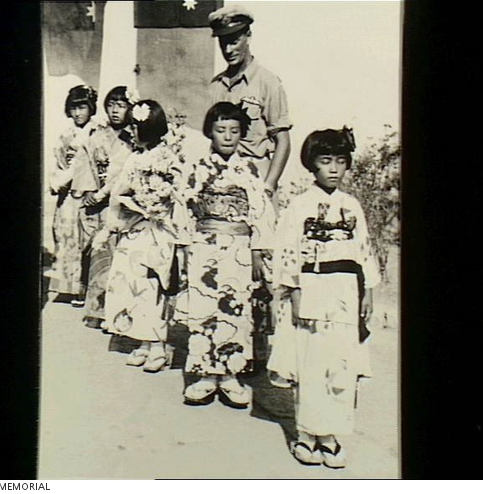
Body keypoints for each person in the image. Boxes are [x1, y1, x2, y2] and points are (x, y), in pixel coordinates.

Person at [266, 128, 381, 469]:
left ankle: (330, 436)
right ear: (312, 164)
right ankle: (306, 435)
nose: (333, 169)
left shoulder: (352, 206)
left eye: (340, 162)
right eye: (325, 161)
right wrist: (295, 291)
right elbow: (287, 250)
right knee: (311, 362)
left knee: (340, 364)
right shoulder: (299, 206)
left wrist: (368, 291)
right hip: (312, 287)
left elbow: (364, 251)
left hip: (346, 290)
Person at [180, 102, 276, 408]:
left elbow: (261, 212)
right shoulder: (196, 168)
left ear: (243, 134)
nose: (228, 136)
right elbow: (183, 209)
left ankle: (231, 376)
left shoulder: (248, 170)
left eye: (235, 131)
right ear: (209, 131)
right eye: (221, 130)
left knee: (235, 310)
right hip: (204, 243)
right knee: (204, 309)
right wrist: (183, 246)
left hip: (238, 248)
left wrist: (259, 251)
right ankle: (206, 374)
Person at [102, 100, 186, 373]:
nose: (133, 133)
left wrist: (161, 205)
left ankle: (159, 343)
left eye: (137, 127)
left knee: (154, 284)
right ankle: (142, 340)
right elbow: (120, 192)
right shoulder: (135, 158)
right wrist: (130, 210)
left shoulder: (169, 158)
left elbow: (179, 194)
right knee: (131, 282)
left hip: (160, 230)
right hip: (137, 227)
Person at [208, 5, 292, 198]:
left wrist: (268, 186)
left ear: (248, 35)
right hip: (222, 179)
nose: (228, 50)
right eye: (223, 43)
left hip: (257, 176)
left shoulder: (268, 83)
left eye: (234, 41)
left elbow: (283, 141)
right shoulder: (216, 85)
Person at [71, 86, 136, 328]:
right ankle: (98, 310)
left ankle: (119, 313)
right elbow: (84, 163)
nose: (115, 110)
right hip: (97, 203)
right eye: (111, 105)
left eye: (121, 105)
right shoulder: (97, 135)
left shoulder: (134, 138)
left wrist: (104, 193)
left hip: (121, 202)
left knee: (120, 257)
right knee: (99, 254)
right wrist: (89, 192)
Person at [48, 85, 98, 305]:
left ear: (91, 108)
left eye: (82, 108)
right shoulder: (66, 135)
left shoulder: (98, 132)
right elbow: (59, 161)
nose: (78, 113)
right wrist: (58, 181)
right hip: (68, 194)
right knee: (67, 236)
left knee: (87, 239)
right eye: (74, 108)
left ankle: (85, 287)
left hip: (88, 191)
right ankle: (71, 286)